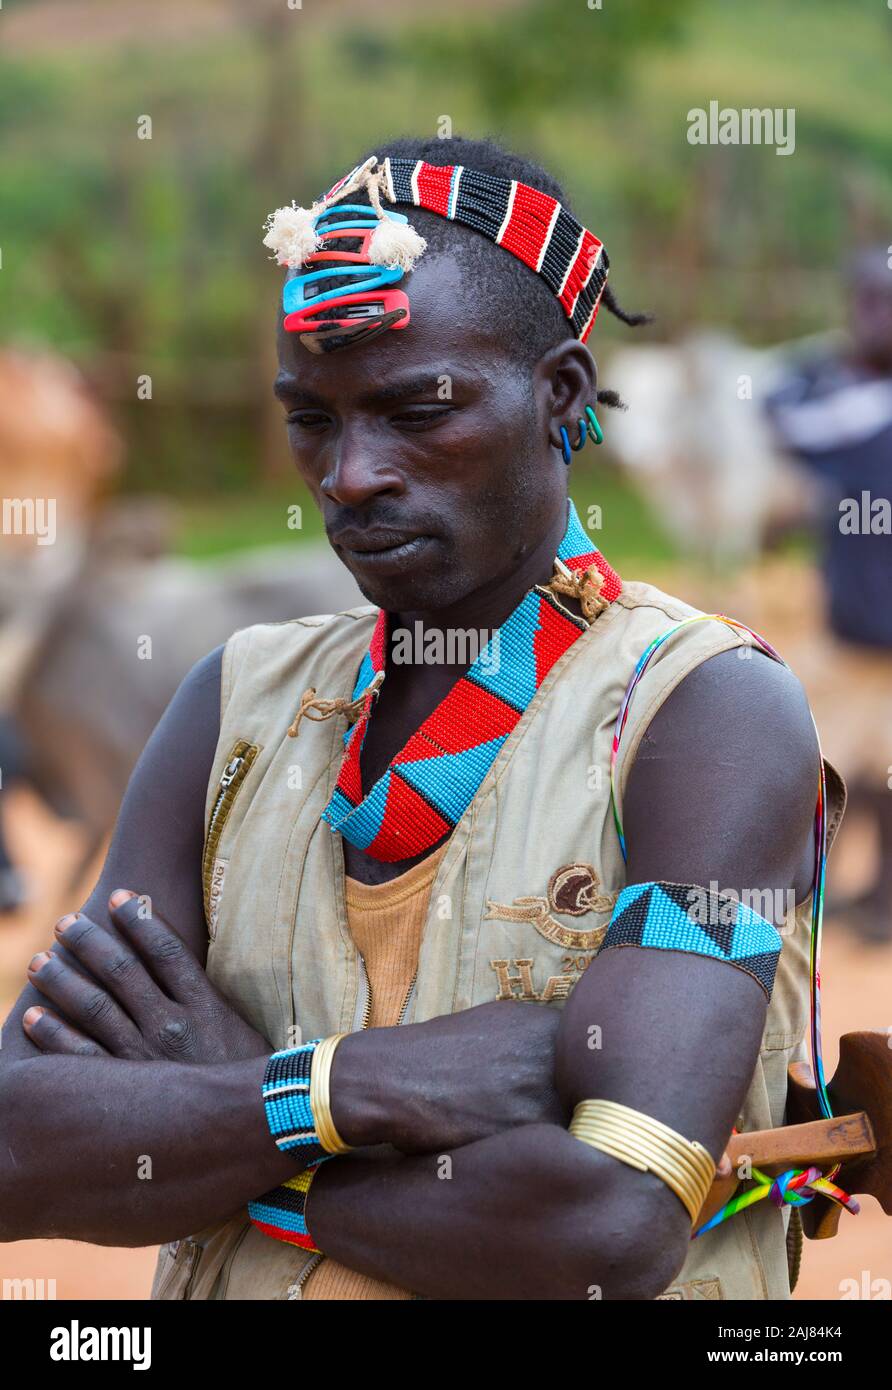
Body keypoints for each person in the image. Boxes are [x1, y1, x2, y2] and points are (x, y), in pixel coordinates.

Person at [0, 137, 840, 1301]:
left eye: (414, 410)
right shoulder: (234, 701)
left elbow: (605, 1226)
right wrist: (344, 1091)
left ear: (561, 394)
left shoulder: (703, 714)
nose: (349, 476)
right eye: (312, 419)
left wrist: (220, 1110)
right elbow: (17, 1145)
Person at [766, 247, 892, 942]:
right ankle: (867, 894)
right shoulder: (860, 404)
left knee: (857, 763)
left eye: (882, 306)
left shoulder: (860, 411)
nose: (867, 320)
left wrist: (815, 364)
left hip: (873, 630)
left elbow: (788, 418)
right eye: (862, 303)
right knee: (864, 767)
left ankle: (871, 897)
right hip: (861, 624)